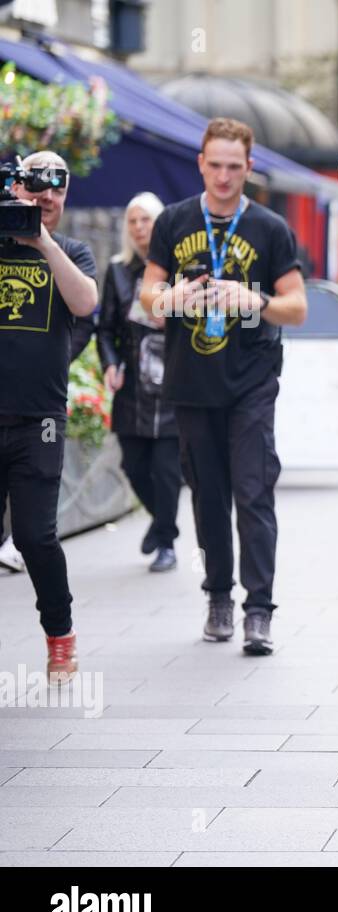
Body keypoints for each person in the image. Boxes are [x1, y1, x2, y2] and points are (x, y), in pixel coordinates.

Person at [140, 117, 307, 654]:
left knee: (253, 493)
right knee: (208, 499)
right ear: (201, 164)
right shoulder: (172, 222)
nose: (224, 176)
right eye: (215, 165)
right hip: (191, 383)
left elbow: (298, 307)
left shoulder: (269, 229)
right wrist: (172, 301)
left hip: (252, 383)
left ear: (249, 168)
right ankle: (218, 598)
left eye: (235, 167)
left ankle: (259, 609)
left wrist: (254, 301)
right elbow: (148, 297)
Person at [0, 150, 99, 681]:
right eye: (36, 188)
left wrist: (41, 240)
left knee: (36, 536)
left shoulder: (72, 251)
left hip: (39, 419)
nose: (46, 199)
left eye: (57, 192)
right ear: (16, 186)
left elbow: (85, 304)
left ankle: (59, 636)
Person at [97, 191, 181, 573]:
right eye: (132, 221)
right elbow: (106, 329)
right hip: (133, 383)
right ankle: (165, 525)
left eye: (145, 219)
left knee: (166, 469)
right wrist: (110, 363)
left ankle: (165, 541)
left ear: (160, 222)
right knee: (133, 465)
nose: (139, 227)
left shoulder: (180, 270)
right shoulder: (117, 270)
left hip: (172, 383)